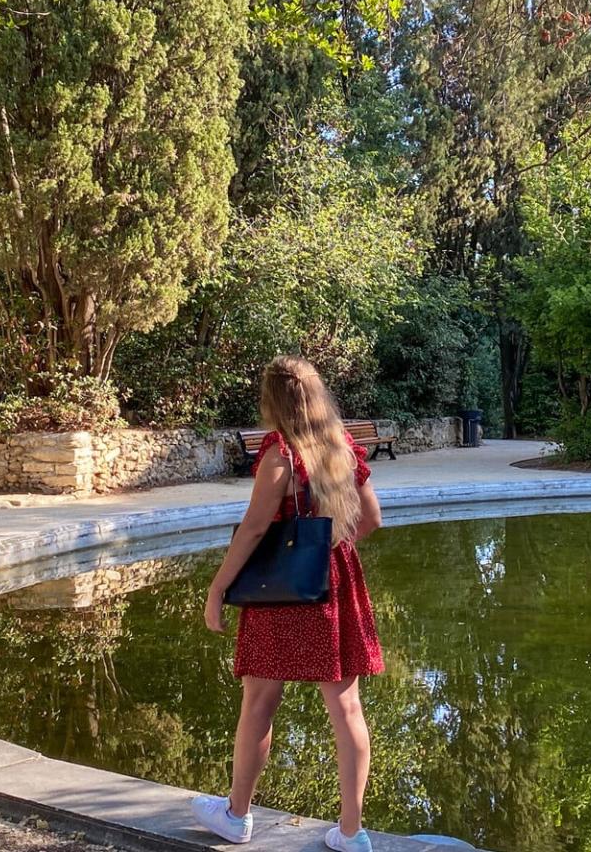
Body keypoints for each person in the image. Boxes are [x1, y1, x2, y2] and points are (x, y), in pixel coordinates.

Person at [191, 356, 385, 851]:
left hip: (281, 593)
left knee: (259, 703)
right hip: (333, 584)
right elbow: (371, 521)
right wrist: (329, 550)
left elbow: (255, 529)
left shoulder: (281, 455)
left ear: (272, 399)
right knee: (347, 708)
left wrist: (217, 590)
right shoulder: (343, 449)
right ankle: (350, 832)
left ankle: (236, 817)